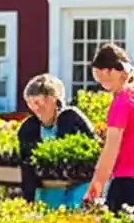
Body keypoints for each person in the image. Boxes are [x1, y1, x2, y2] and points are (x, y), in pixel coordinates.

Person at [84, 43, 134, 213]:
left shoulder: (122, 101)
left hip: (127, 184)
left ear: (112, 71)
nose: (100, 83)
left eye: (99, 76)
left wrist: (97, 184)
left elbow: (111, 148)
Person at [17, 74, 96, 209]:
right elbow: (27, 166)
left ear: (53, 99)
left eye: (38, 102)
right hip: (46, 188)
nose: (35, 108)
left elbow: (93, 148)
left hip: (78, 185)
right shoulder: (28, 128)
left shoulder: (72, 117)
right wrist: (28, 200)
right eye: (30, 103)